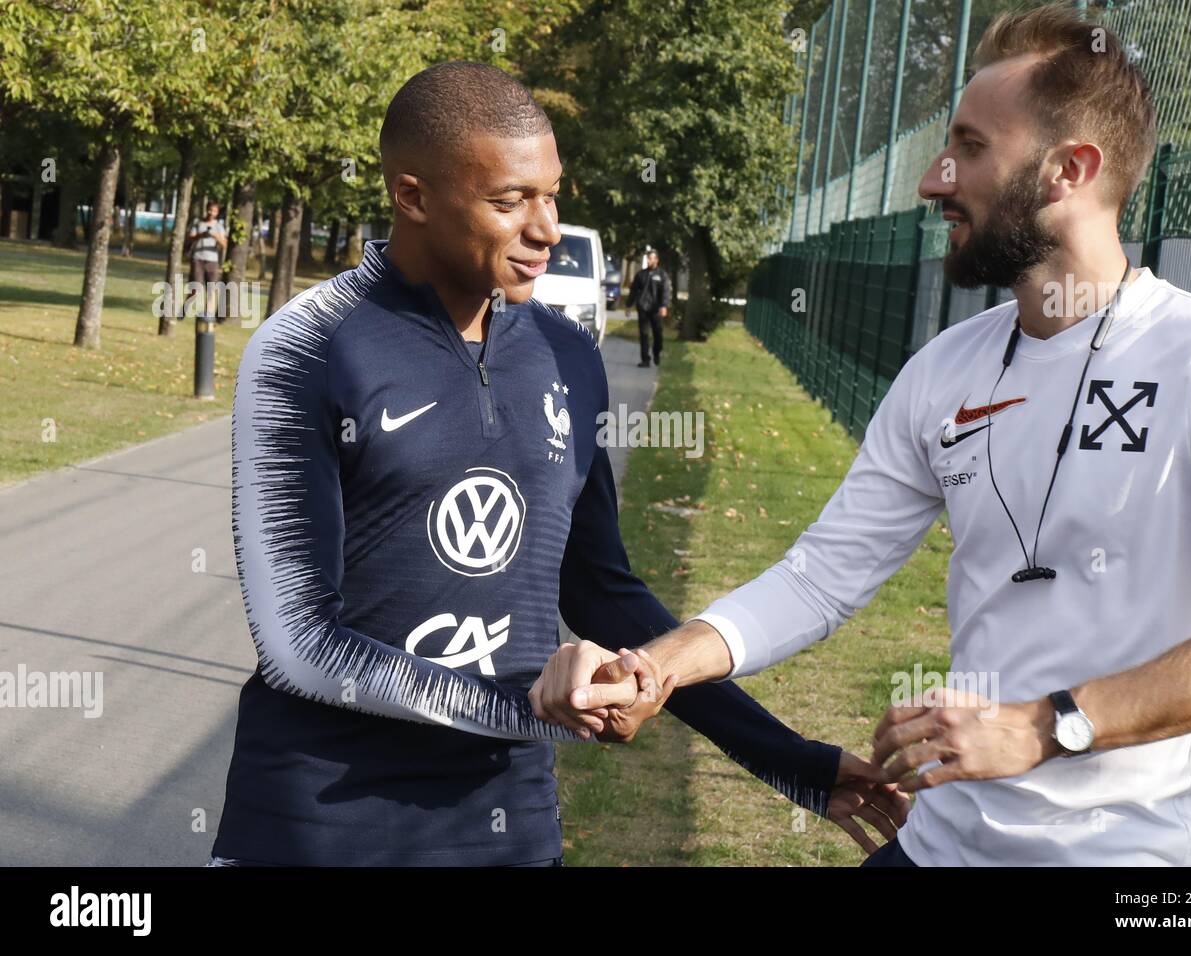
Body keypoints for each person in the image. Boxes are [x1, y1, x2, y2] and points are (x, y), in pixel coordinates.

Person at [530, 5, 1191, 866]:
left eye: (970, 147)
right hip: (938, 845)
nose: (935, 181)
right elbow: (822, 578)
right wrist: (658, 665)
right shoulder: (945, 369)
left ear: (1068, 169)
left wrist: (1051, 727)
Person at [209, 61, 904, 867]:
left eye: (552, 194)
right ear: (412, 197)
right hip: (316, 826)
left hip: (508, 824)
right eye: (509, 202)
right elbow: (301, 644)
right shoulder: (305, 348)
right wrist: (536, 708)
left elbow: (602, 590)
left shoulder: (569, 354)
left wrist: (790, 760)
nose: (546, 229)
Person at [184, 200, 227, 320]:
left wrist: (215, 236)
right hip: (198, 259)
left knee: (211, 289)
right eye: (209, 209)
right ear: (206, 209)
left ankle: (208, 317)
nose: (211, 212)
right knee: (195, 288)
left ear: (217, 212)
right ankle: (184, 310)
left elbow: (224, 244)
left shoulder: (219, 226)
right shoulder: (198, 223)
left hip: (212, 261)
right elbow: (189, 238)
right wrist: (200, 235)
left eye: (214, 211)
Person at [626, 249, 670, 367]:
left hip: (656, 310)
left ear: (656, 260)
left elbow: (666, 291)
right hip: (643, 308)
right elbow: (633, 291)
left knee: (658, 335)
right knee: (644, 334)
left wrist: (664, 306)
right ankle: (645, 359)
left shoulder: (662, 275)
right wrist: (629, 306)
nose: (650, 261)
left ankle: (656, 353)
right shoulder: (641, 275)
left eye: (652, 258)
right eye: (648, 258)